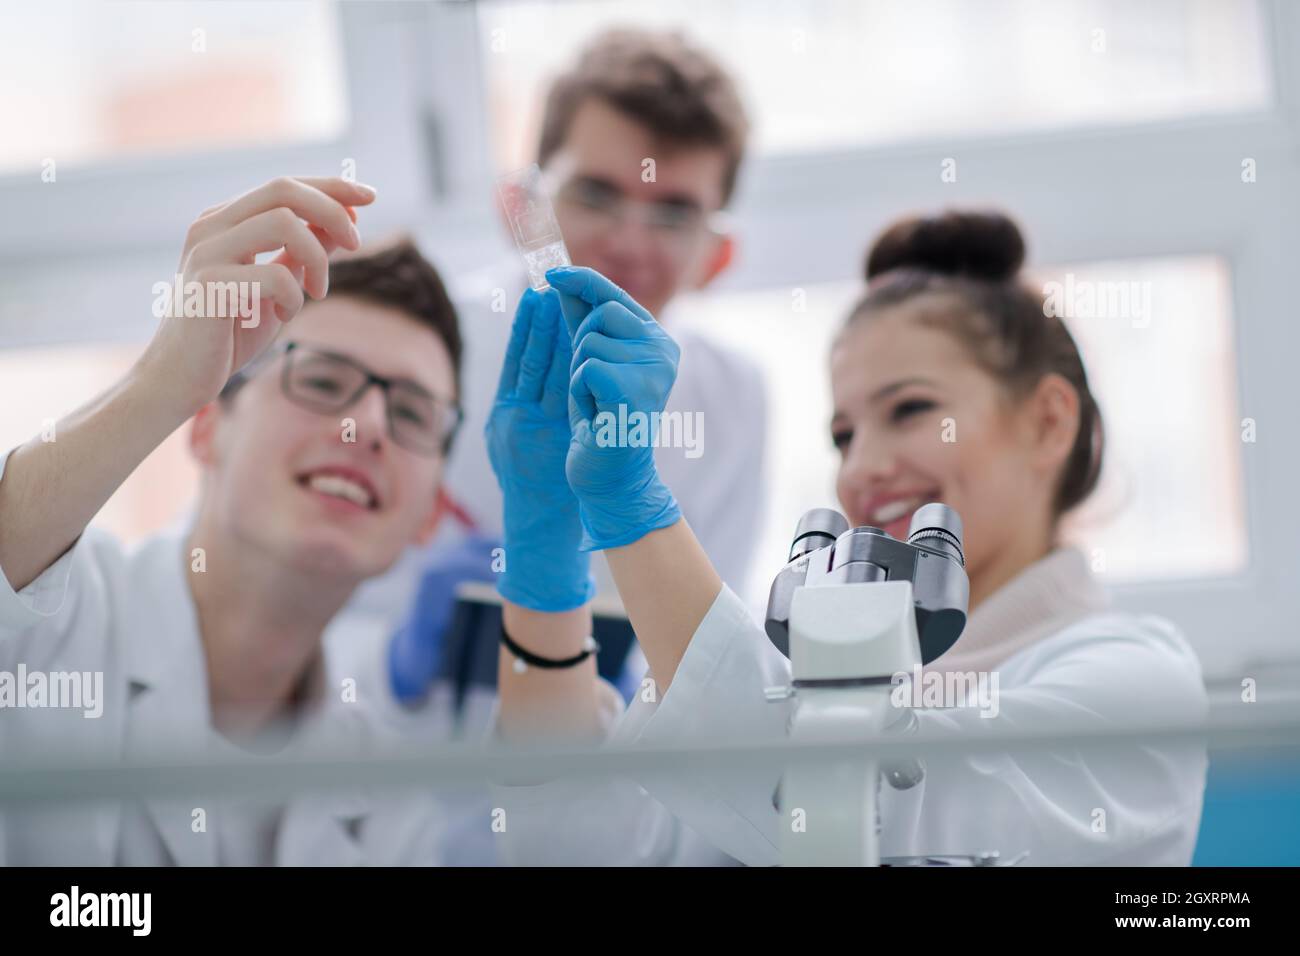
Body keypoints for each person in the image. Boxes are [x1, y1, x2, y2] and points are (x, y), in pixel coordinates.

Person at [485, 211, 1210, 866]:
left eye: (911, 409)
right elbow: (578, 849)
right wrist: (545, 572)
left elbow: (860, 806)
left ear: (1049, 421)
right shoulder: (819, 673)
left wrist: (632, 508)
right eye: (843, 435)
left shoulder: (1135, 681)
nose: (860, 470)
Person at [0, 177, 462, 865]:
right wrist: (160, 384)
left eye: (413, 415)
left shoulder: (391, 802)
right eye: (325, 381)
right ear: (206, 426)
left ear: (429, 515)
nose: (365, 426)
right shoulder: (58, 623)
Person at [379, 28, 767, 723]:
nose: (629, 243)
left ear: (719, 252)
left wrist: (618, 687)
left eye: (674, 213)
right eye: (595, 194)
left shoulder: (735, 399)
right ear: (519, 207)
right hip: (404, 788)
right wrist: (391, 652)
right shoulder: (420, 345)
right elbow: (298, 617)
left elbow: (714, 662)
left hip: (614, 792)